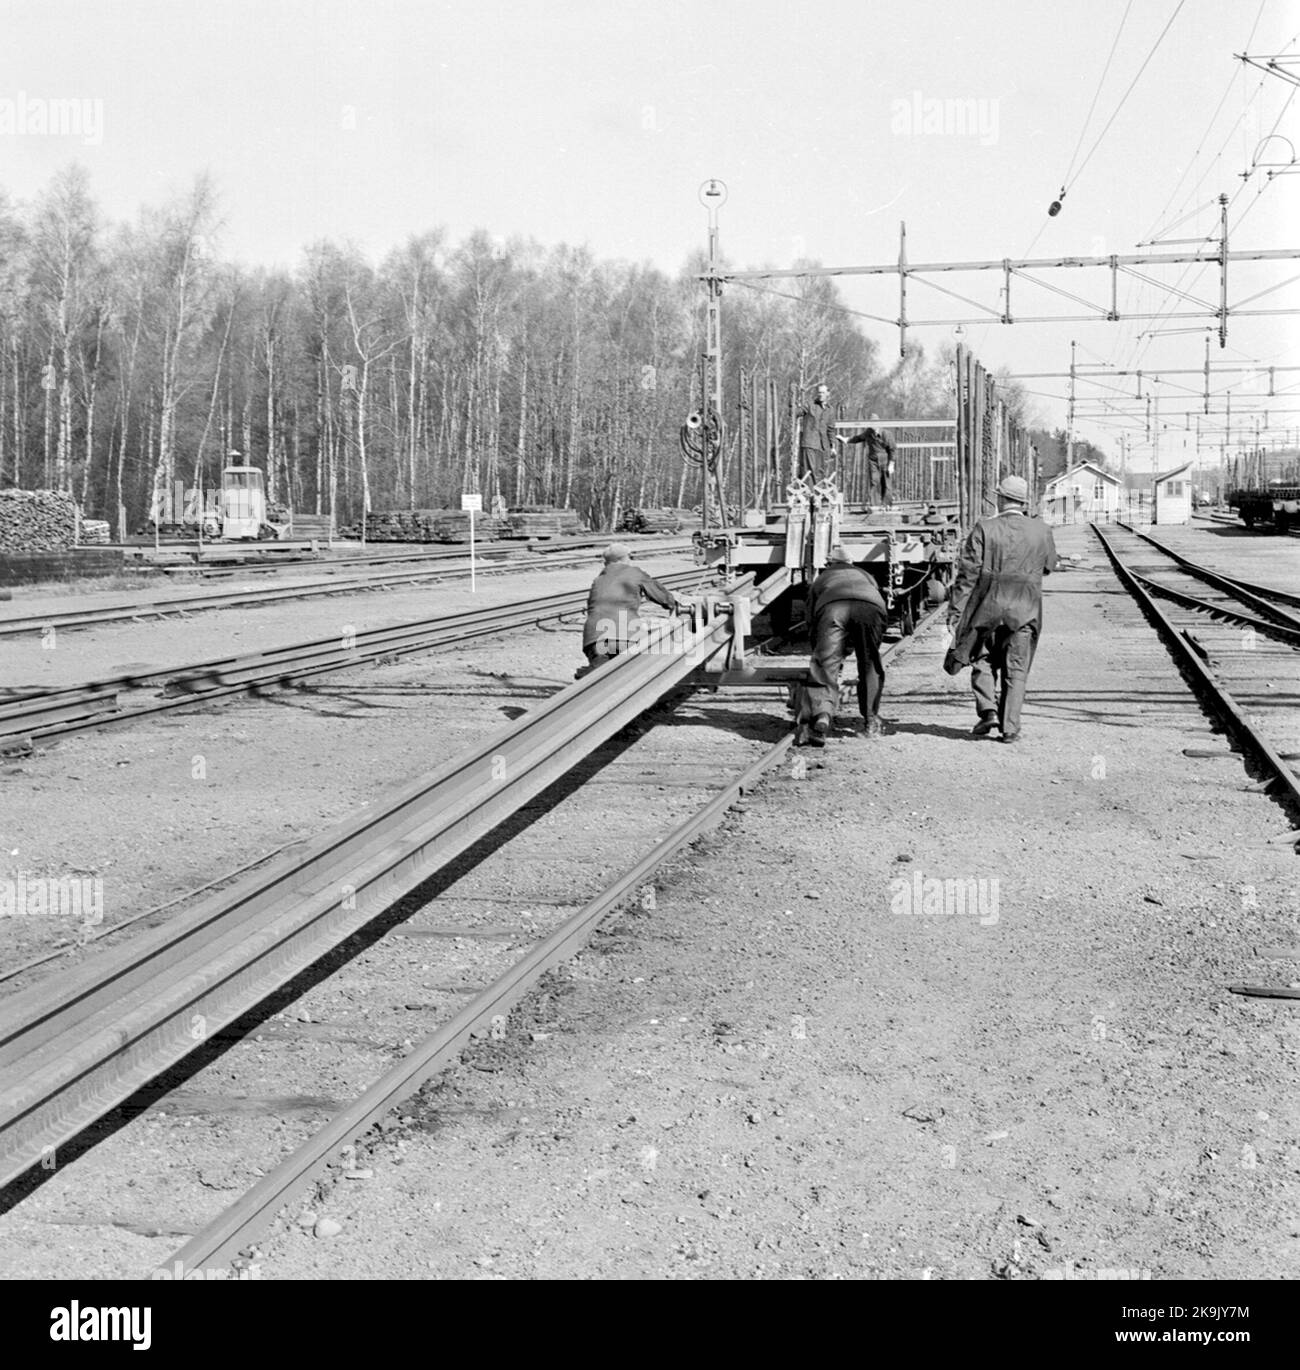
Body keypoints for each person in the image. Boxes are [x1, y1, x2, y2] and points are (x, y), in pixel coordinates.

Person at [945, 473, 1057, 743]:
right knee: (1016, 668)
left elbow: (967, 576)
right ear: (1023, 502)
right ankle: (1010, 729)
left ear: (1000, 499)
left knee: (981, 658)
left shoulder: (984, 528)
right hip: (1025, 611)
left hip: (987, 609)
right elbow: (1050, 566)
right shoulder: (1041, 530)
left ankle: (988, 711)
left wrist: (955, 612)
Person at [798, 545, 889, 746]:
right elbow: (881, 617)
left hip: (832, 609)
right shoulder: (865, 575)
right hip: (871, 608)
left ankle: (822, 715)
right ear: (851, 562)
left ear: (829, 564)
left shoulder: (821, 579)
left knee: (824, 666)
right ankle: (871, 720)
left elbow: (811, 620)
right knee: (869, 663)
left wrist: (824, 653)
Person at [577, 544, 687, 678]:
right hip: (626, 634)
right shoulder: (634, 573)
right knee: (631, 677)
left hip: (594, 637)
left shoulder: (598, 580)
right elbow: (660, 595)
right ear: (622, 559)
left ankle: (589, 678)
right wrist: (674, 604)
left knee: (599, 681)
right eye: (629, 557)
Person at [846, 415, 895, 508]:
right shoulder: (869, 432)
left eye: (874, 423)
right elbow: (858, 438)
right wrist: (847, 440)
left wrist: (891, 463)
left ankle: (887, 505)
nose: (872, 425)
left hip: (885, 459)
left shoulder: (886, 434)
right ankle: (875, 506)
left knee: (886, 483)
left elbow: (892, 449)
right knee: (874, 482)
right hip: (873, 460)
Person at [797, 383, 839, 479]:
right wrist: (793, 405)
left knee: (820, 472)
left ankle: (818, 492)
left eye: (823, 393)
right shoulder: (810, 405)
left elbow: (831, 429)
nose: (820, 395)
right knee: (809, 471)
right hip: (810, 443)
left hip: (822, 446)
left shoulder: (830, 410)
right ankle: (809, 492)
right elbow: (796, 412)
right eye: (819, 392)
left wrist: (832, 446)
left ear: (828, 394)